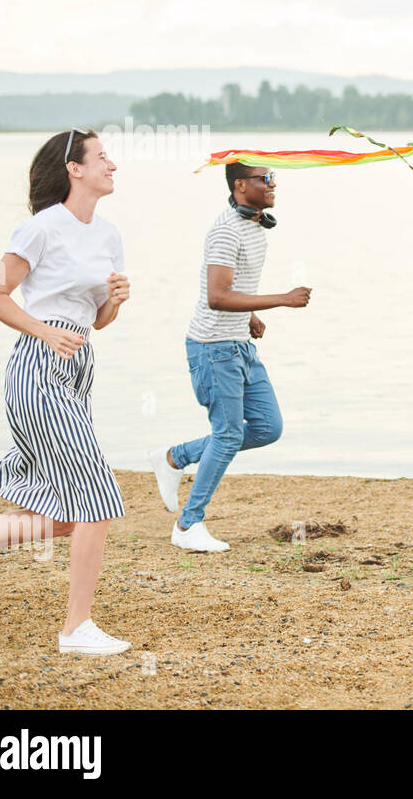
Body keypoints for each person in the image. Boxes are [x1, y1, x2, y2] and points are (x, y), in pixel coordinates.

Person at [0, 128, 133, 655]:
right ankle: (76, 629)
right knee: (98, 499)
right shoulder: (39, 228)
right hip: (38, 366)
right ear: (74, 168)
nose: (112, 164)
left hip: (78, 368)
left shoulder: (109, 235)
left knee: (65, 516)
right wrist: (41, 330)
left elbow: (95, 320)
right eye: (102, 157)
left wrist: (115, 302)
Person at [148, 163, 310, 552]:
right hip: (213, 348)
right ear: (240, 186)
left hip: (239, 345)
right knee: (228, 433)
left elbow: (231, 286)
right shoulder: (225, 230)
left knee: (267, 427)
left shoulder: (254, 227)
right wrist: (282, 300)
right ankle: (188, 526)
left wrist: (250, 315)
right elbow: (216, 296)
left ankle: (176, 457)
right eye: (264, 179)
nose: (273, 185)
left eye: (273, 177)